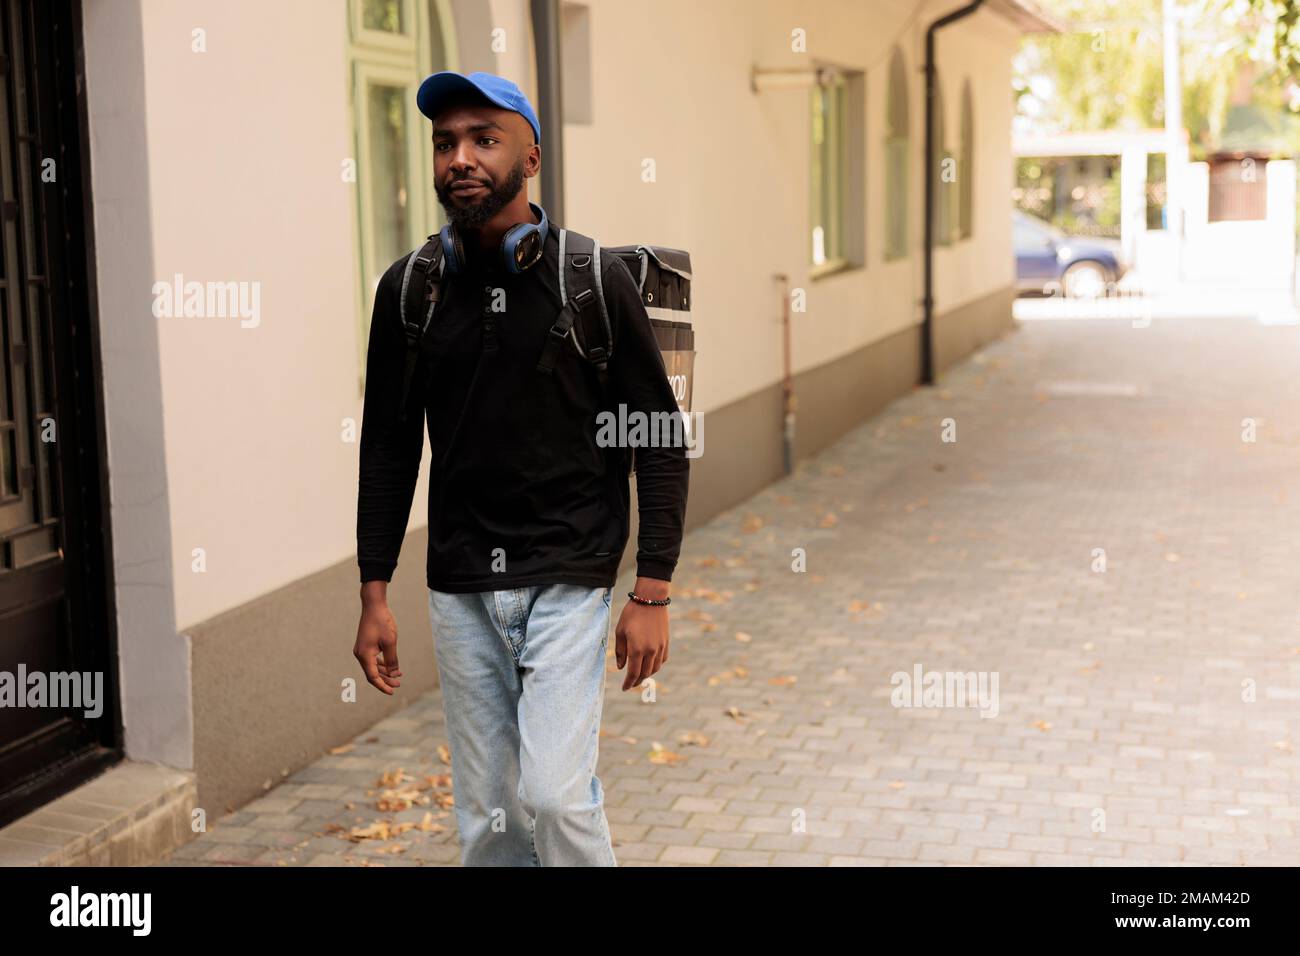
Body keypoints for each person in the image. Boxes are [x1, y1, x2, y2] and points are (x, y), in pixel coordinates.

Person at [353, 70, 690, 867]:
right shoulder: (410, 291)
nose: (460, 157)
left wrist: (653, 589)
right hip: (460, 584)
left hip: (570, 575)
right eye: (445, 143)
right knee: (491, 817)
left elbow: (659, 438)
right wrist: (374, 591)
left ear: (530, 156)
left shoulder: (593, 279)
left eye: (483, 138)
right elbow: (388, 446)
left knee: (554, 795)